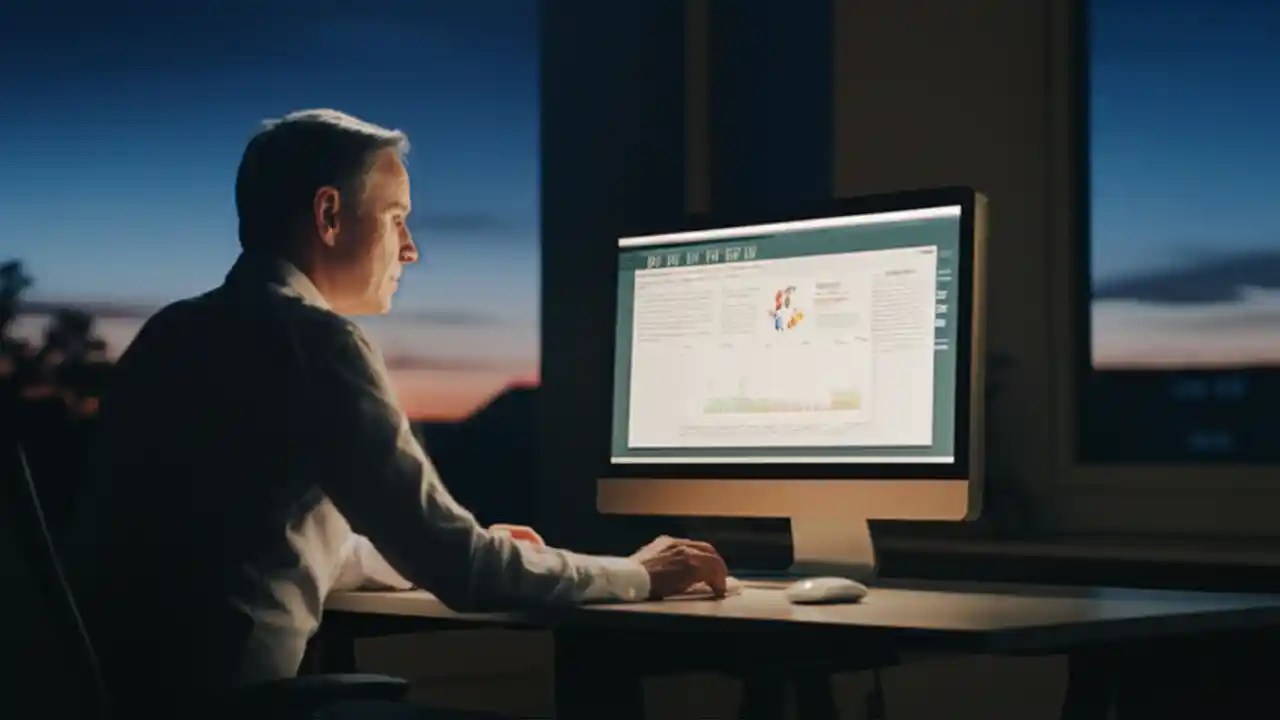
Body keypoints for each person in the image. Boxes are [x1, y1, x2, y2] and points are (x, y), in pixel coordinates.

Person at [60, 109, 728, 710]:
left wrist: (438, 545)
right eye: (396, 217)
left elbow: (257, 540)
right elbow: (463, 572)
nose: (410, 248)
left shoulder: (172, 333)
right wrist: (640, 574)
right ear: (329, 216)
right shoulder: (315, 341)